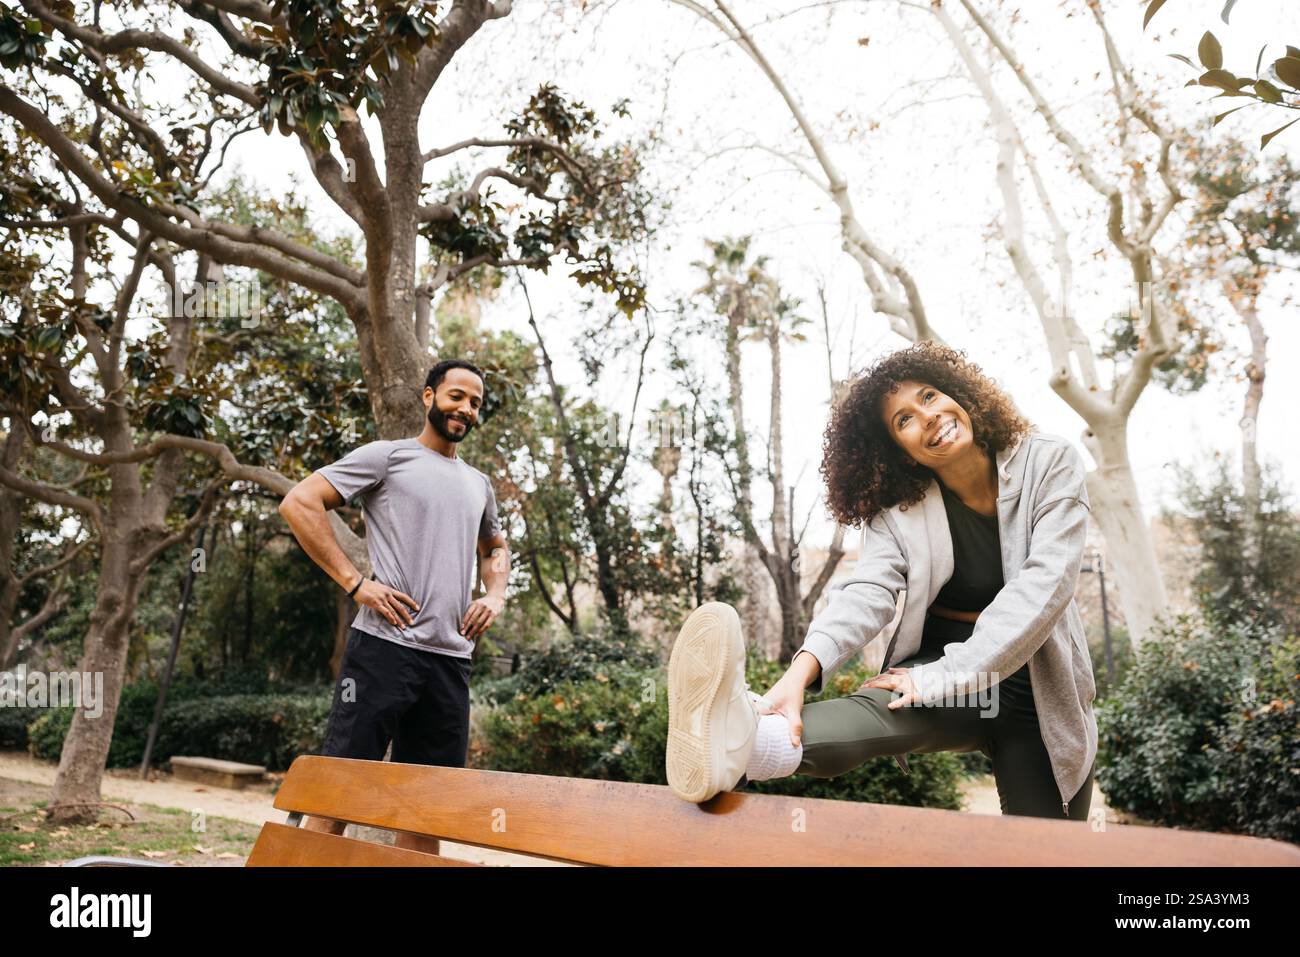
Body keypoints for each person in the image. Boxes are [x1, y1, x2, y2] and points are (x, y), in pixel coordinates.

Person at [665, 341, 1098, 820]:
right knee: (873, 714)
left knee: (1050, 848)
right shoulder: (899, 512)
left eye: (930, 397)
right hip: (938, 664)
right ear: (901, 452)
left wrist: (946, 673)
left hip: (1037, 680)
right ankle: (742, 739)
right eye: (904, 420)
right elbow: (867, 594)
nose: (927, 417)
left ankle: (740, 736)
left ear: (961, 397)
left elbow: (1045, 585)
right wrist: (798, 673)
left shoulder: (1048, 462)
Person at [278, 359, 509, 850]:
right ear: (429, 397)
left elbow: (495, 548)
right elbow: (300, 502)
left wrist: (495, 594)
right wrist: (356, 583)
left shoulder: (479, 484)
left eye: (475, 403)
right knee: (338, 790)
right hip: (382, 650)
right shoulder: (388, 457)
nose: (465, 409)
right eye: (456, 397)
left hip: (450, 661)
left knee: (427, 810)